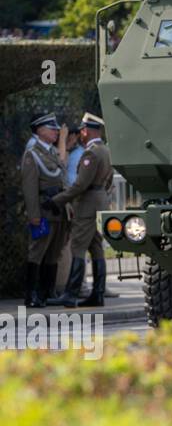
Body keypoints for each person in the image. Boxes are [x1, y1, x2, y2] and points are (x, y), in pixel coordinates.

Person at [48, 113, 113, 308]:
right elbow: (109, 181)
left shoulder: (90, 153)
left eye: (82, 130)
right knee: (96, 247)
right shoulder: (105, 150)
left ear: (86, 131)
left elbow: (80, 185)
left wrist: (58, 200)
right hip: (100, 201)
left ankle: (70, 294)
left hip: (87, 205)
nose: (81, 134)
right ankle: (98, 293)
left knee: (78, 246)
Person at [20, 113, 68, 307]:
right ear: (40, 130)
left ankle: (47, 292)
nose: (56, 131)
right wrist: (34, 215)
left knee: (54, 252)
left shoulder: (52, 152)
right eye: (51, 128)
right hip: (43, 210)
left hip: (58, 210)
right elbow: (29, 187)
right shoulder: (32, 154)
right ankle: (31, 294)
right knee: (37, 252)